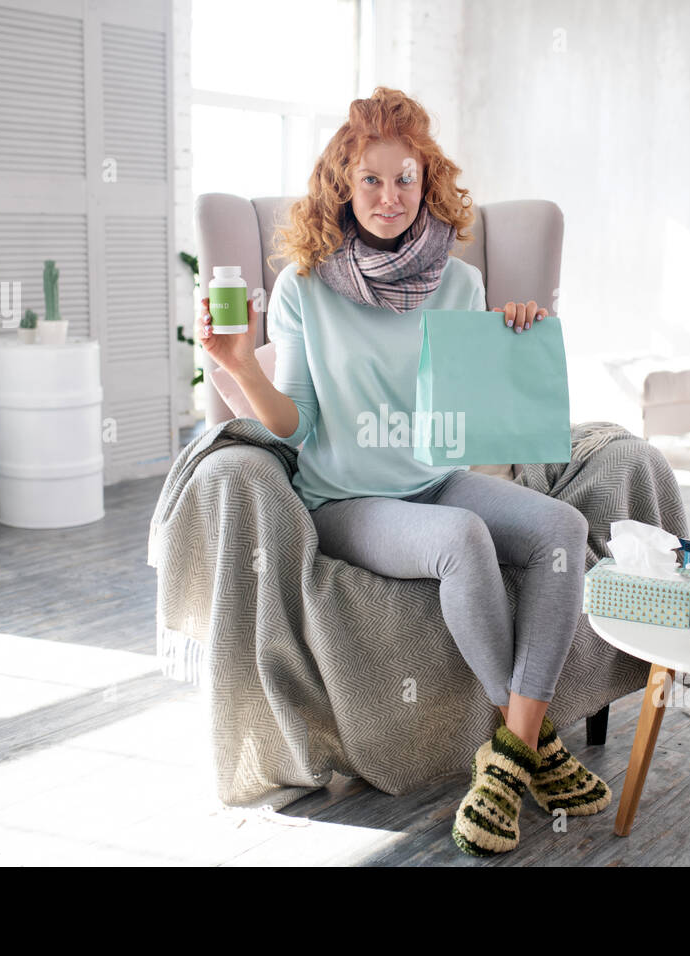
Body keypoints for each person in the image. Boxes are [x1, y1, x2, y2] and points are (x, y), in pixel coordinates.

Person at [197, 87, 609, 857]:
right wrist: (235, 368)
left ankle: (514, 750)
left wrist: (514, 338)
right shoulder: (304, 288)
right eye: (371, 180)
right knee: (460, 539)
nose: (389, 197)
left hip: (434, 476)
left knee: (564, 527)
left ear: (428, 183)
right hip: (346, 497)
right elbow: (294, 423)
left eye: (405, 179)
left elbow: (475, 413)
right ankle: (535, 751)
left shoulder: (460, 285)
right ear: (343, 189)